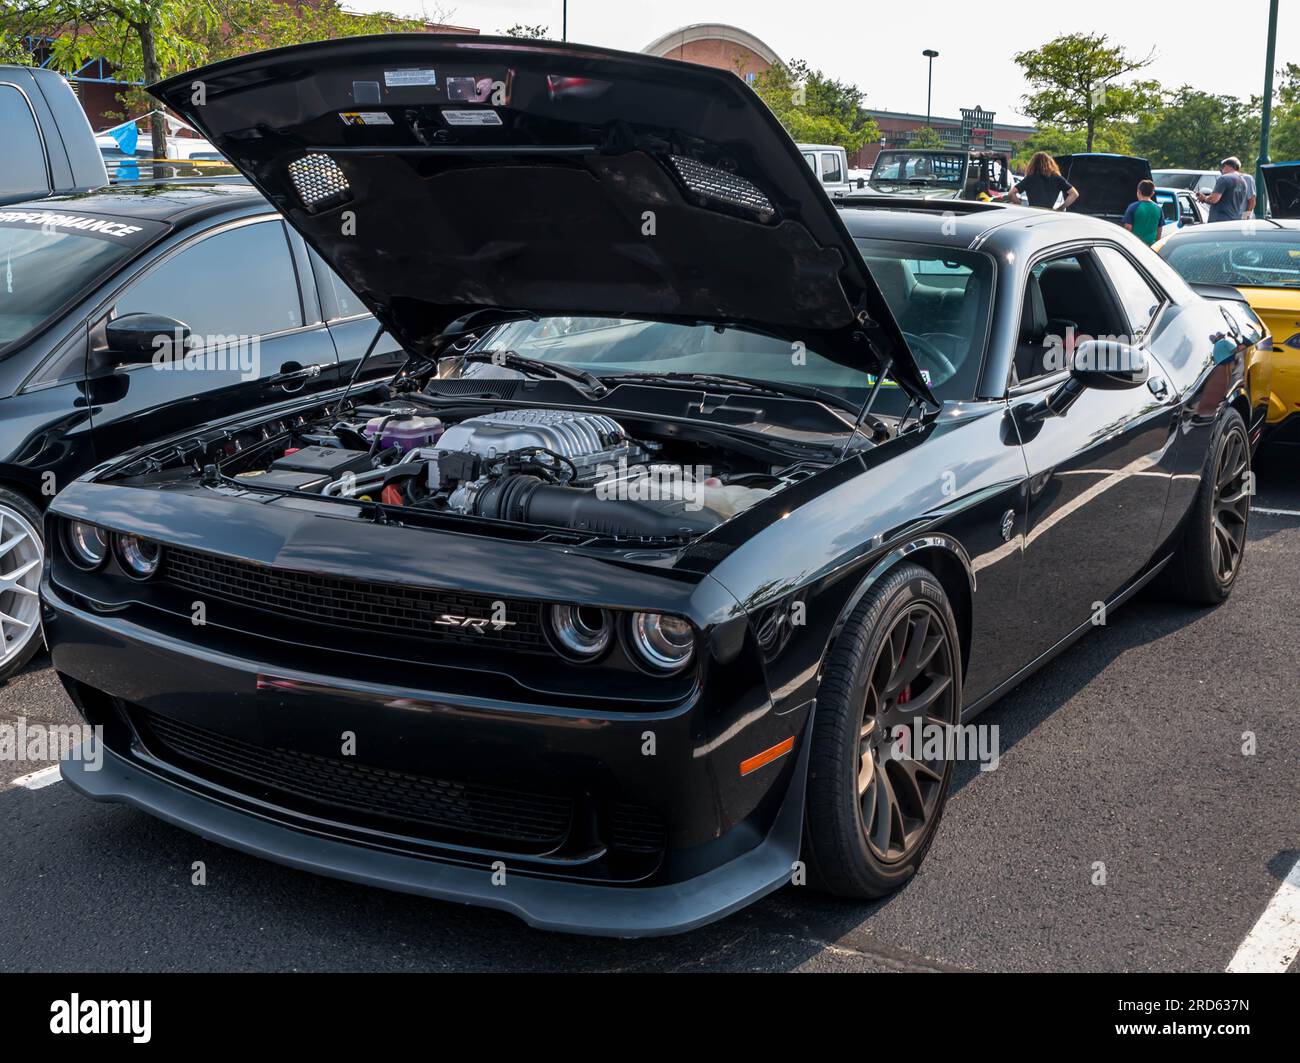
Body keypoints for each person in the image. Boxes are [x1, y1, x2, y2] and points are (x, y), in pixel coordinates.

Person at [1007, 152, 1080, 210]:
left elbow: (1011, 194)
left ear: (1033, 164)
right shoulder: (1057, 178)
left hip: (1033, 212)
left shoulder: (1030, 178)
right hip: (1048, 213)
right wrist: (1061, 208)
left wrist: (1021, 206)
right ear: (1050, 163)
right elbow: (1074, 194)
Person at [1197, 157, 1249, 222]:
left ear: (1226, 166)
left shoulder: (1224, 178)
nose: (1221, 171)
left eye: (1222, 168)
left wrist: (1204, 198)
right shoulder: (1243, 181)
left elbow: (1214, 199)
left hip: (1220, 221)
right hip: (1236, 220)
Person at [1123, 179, 1163, 246]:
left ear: (1138, 191)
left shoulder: (1133, 207)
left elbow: (1127, 228)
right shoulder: (1158, 209)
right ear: (1152, 193)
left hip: (1134, 246)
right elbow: (1159, 230)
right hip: (1151, 247)